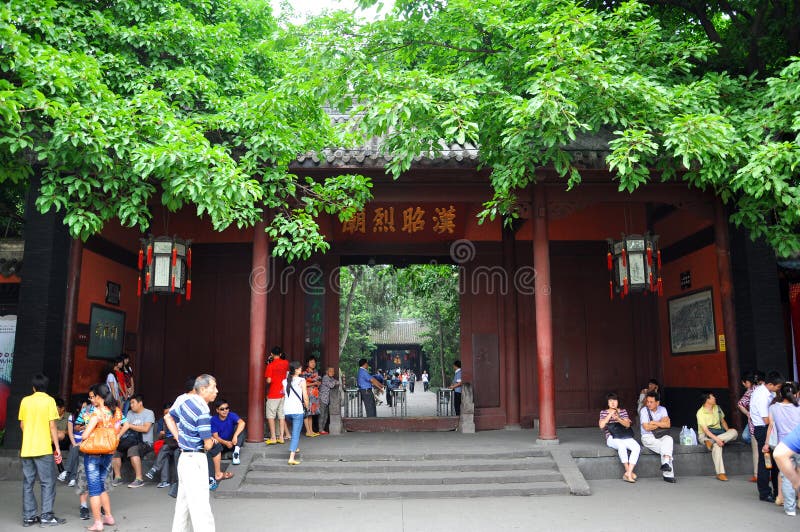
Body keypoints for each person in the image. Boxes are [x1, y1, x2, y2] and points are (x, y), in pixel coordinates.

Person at [164, 374, 218, 532]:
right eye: (213, 387)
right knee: (201, 506)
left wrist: (179, 439)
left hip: (185, 457)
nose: (216, 391)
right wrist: (211, 442)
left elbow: (168, 417)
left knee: (184, 504)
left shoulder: (185, 402)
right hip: (196, 460)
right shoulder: (203, 410)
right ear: (203, 389)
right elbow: (207, 443)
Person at [18, 373, 66, 527]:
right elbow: (52, 425)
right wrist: (57, 448)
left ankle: (29, 517)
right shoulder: (49, 401)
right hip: (43, 448)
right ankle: (46, 516)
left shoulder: (25, 401)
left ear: (33, 387)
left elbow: (22, 425)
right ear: (46, 387)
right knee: (48, 482)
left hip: (27, 449)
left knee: (28, 483)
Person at [81, 382, 125, 531]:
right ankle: (108, 516)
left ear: (99, 397)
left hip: (93, 454)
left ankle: (98, 523)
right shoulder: (116, 412)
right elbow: (117, 430)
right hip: (108, 453)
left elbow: (86, 434)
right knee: (101, 486)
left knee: (94, 490)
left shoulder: (97, 413)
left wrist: (86, 436)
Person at [766, 381, 800, 513]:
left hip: (783, 446)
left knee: (786, 478)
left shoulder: (773, 408)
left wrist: (766, 443)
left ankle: (790, 509)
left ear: (780, 393)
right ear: (796, 393)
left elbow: (770, 426)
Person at [110, 393, 154, 488]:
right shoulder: (130, 413)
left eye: (133, 403)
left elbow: (145, 429)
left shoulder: (149, 413)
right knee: (115, 450)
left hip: (145, 443)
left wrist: (130, 426)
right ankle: (118, 477)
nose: (131, 405)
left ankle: (139, 479)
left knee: (133, 449)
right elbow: (125, 427)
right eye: (130, 403)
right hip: (130, 441)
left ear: (140, 403)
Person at [751, 371, 782, 500]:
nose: (778, 390)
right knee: (766, 462)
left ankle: (777, 491)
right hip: (763, 429)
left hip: (768, 429)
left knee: (774, 461)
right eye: (778, 387)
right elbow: (766, 420)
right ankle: (764, 493)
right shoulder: (762, 396)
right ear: (770, 384)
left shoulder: (768, 392)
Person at [697, 391, 738, 481]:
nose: (715, 398)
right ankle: (720, 473)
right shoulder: (700, 412)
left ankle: (711, 442)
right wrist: (717, 439)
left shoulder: (717, 408)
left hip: (718, 435)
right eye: (712, 397)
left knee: (734, 432)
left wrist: (728, 433)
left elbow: (723, 422)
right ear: (707, 400)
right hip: (705, 436)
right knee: (717, 446)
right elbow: (705, 430)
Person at [599, 392, 640, 483]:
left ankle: (628, 473)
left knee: (636, 447)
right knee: (621, 446)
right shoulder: (603, 412)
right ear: (607, 402)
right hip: (612, 437)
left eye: (615, 400)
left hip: (625, 436)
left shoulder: (623, 411)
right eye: (610, 401)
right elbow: (601, 426)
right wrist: (610, 415)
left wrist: (618, 418)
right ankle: (629, 472)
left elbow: (627, 425)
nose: (613, 402)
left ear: (618, 402)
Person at [638, 391, 675, 483]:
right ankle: (668, 474)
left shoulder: (663, 409)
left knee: (669, 439)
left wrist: (654, 423)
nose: (648, 404)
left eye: (651, 402)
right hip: (648, 437)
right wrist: (661, 423)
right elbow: (646, 427)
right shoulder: (644, 410)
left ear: (657, 403)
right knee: (666, 447)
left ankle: (666, 464)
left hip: (660, 435)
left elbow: (668, 425)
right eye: (647, 402)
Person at [208, 399, 245, 483]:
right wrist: (226, 442)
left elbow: (242, 423)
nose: (225, 410)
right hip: (222, 444)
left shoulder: (231, 415)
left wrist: (235, 436)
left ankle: (236, 453)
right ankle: (226, 455)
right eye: (222, 409)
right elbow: (215, 436)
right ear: (217, 410)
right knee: (214, 444)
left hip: (233, 442)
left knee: (240, 428)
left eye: (227, 408)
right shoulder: (213, 420)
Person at [146, 402, 178, 489]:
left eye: (169, 413)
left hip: (178, 444)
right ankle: (164, 481)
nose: (167, 415)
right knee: (164, 453)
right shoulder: (162, 421)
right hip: (168, 443)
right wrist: (161, 434)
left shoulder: (178, 420)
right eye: (165, 413)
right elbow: (159, 437)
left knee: (164, 449)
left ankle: (155, 469)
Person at [284, 361, 309, 465]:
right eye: (299, 369)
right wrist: (307, 406)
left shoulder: (284, 381)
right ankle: (291, 458)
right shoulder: (302, 380)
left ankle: (295, 446)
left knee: (295, 430)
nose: (301, 370)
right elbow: (305, 396)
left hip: (287, 411)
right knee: (296, 433)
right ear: (296, 370)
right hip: (297, 410)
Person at [264, 347, 289, 445]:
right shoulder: (286, 363)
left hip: (273, 393)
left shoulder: (270, 365)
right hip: (282, 392)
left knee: (271, 415)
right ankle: (282, 437)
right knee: (281, 415)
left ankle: (273, 437)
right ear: (281, 353)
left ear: (271, 354)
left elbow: (269, 380)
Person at [60, 398, 88, 487]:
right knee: (74, 450)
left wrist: (80, 443)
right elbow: (70, 432)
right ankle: (72, 478)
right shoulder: (72, 417)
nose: (85, 409)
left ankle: (66, 472)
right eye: (83, 407)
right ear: (78, 409)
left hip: (85, 442)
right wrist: (74, 443)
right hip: (74, 441)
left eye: (86, 407)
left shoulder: (89, 417)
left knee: (75, 449)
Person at [736, 371, 757, 482]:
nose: (744, 385)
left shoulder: (750, 392)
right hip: (768, 426)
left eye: (744, 383)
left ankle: (757, 474)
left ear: (748, 382)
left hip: (755, 425)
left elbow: (740, 404)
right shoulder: (766, 390)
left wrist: (748, 414)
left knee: (757, 451)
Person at [318, 367, 338, 435]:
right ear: (327, 372)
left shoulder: (331, 378)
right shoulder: (325, 377)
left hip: (327, 400)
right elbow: (331, 385)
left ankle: (322, 429)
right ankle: (320, 429)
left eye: (333, 371)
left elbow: (337, 382)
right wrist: (335, 382)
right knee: (322, 415)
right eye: (330, 371)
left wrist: (335, 381)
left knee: (326, 415)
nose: (332, 372)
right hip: (322, 399)